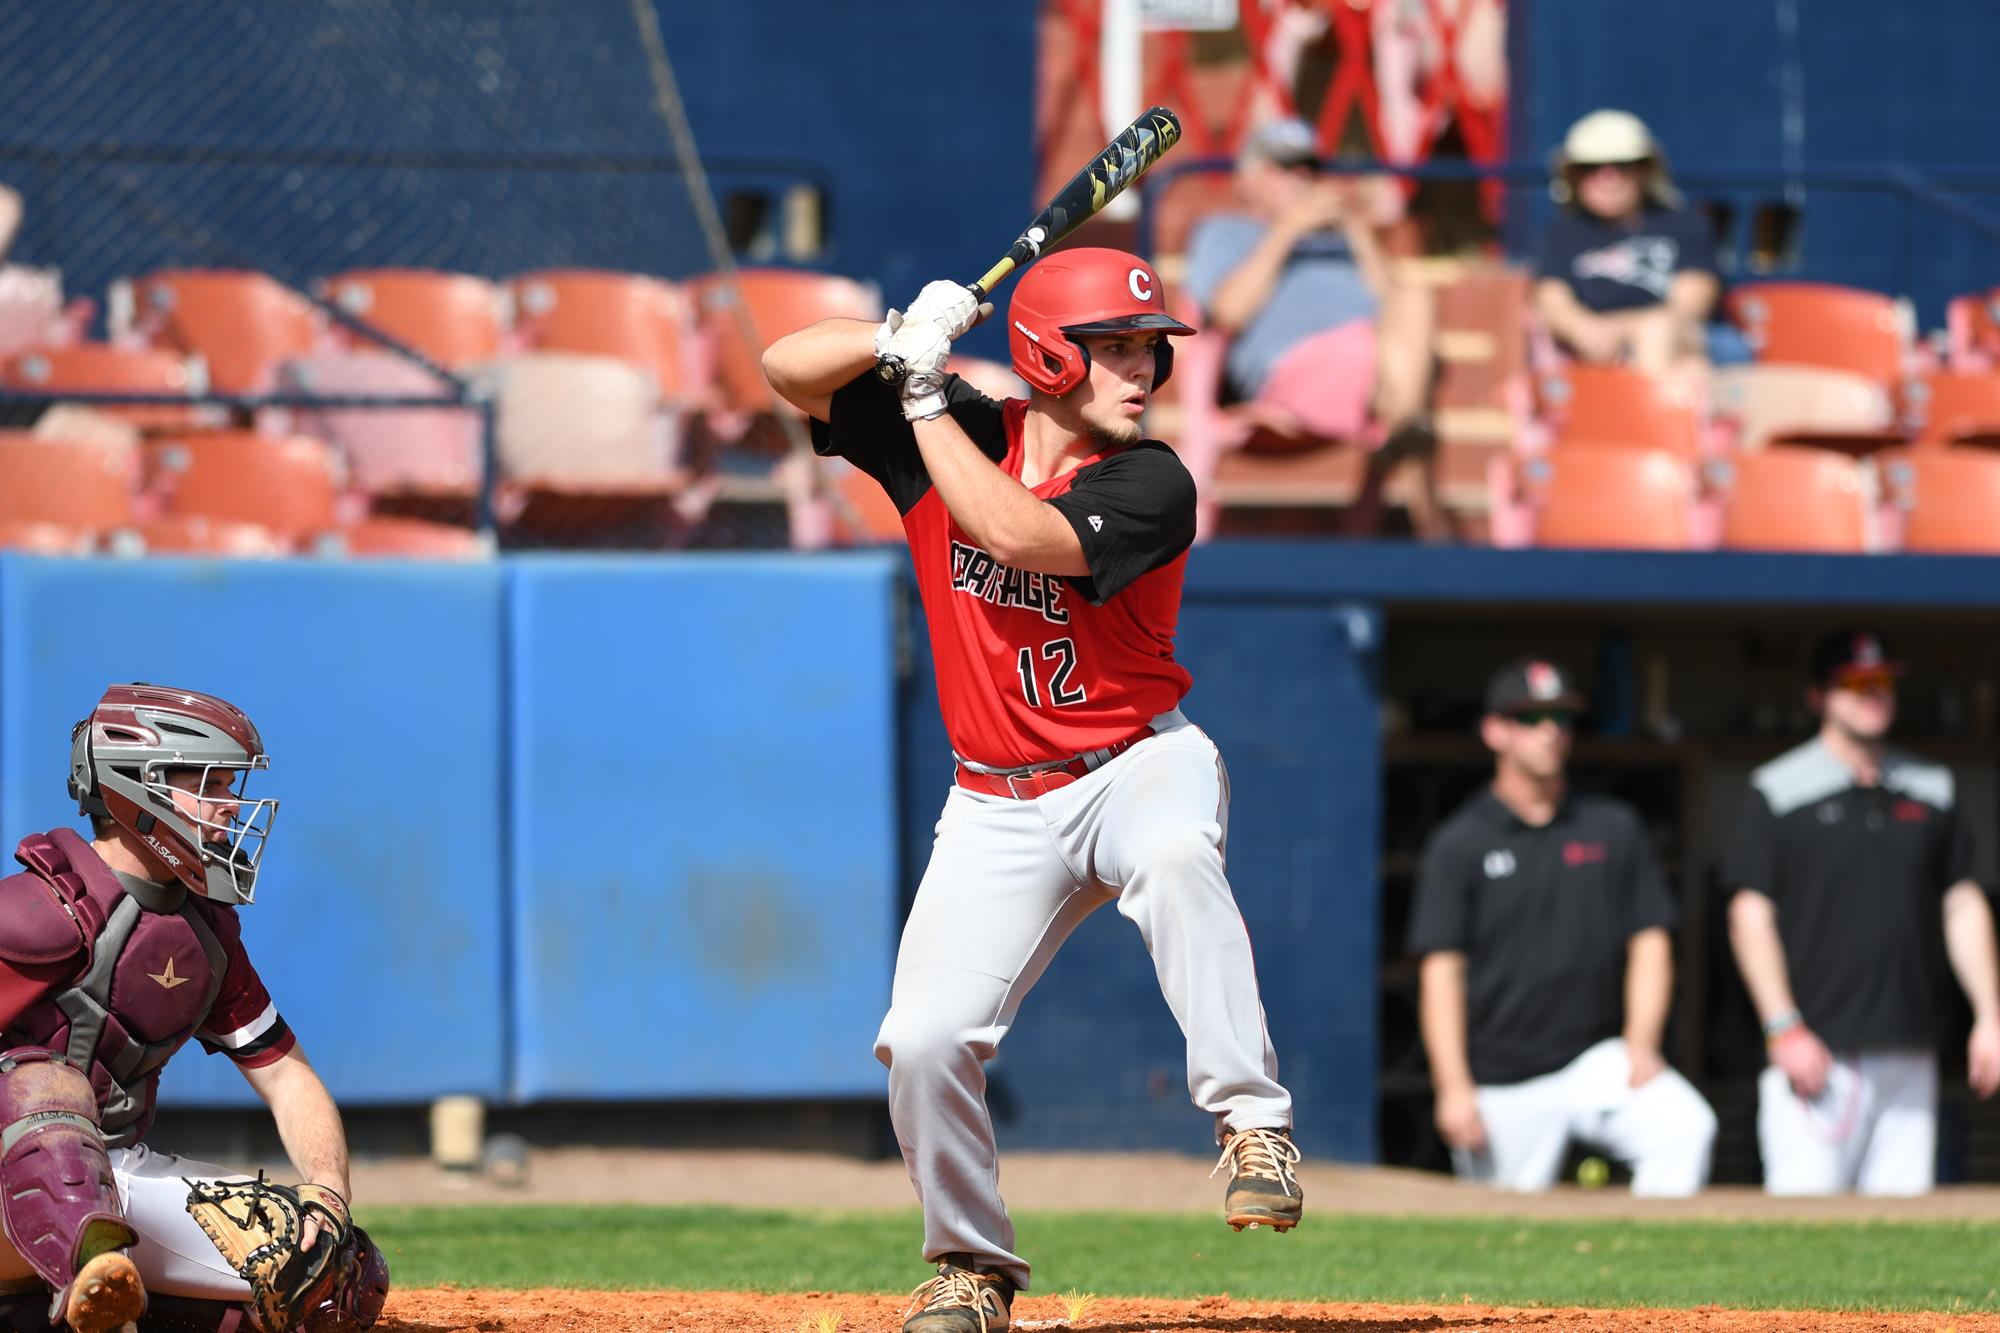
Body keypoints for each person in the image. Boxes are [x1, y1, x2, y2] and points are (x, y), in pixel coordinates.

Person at [763, 249, 1301, 1333]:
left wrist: (921, 399)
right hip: (994, 800)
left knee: (1173, 856)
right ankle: (968, 1263)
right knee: (919, 1039)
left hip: (1134, 766)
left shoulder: (1151, 478)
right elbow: (784, 365)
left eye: (1146, 347)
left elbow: (1016, 531)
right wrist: (890, 338)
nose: (1140, 369)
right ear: (1050, 353)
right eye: (1112, 348)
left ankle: (1252, 1124)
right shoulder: (950, 423)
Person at [0, 683, 389, 1333]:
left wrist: (327, 1193)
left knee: (336, 1279)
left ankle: (63, 1308)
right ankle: (86, 1267)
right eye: (212, 784)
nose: (232, 808)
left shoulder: (204, 936)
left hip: (113, 1177)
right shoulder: (36, 908)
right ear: (137, 787)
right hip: (11, 1185)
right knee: (45, 1081)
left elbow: (288, 1075)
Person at [1408, 659, 1716, 1196]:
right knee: (1501, 1241)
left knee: (1686, 1128)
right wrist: (1453, 1087)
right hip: (1501, 1076)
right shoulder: (1459, 843)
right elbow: (1442, 973)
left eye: (1560, 717)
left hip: (1594, 1059)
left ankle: (1658, 1273)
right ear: (1494, 731)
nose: (1550, 730)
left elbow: (1650, 940)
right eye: (1530, 717)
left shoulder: (1613, 827)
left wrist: (1642, 1041)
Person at [1726, 630, 2000, 1196]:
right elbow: (1749, 914)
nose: (1872, 694)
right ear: (1818, 696)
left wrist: (1990, 1016)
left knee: (1900, 1248)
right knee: (1802, 1239)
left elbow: (1962, 902)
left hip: (1910, 1044)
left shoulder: (1932, 787)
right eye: (1854, 683)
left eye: (1881, 682)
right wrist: (1784, 1028)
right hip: (1817, 1049)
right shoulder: (1776, 789)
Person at [1182, 118, 1442, 535]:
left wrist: (1357, 229)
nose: (1302, 180)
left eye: (1310, 169)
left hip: (1371, 363)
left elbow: (1389, 302)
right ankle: (1429, 520)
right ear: (1249, 178)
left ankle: (1406, 429)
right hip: (1290, 374)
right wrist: (1287, 230)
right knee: (1408, 379)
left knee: (1412, 298)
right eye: (1285, 169)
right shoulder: (1225, 233)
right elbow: (1229, 311)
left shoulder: (1339, 241)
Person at [1534, 109, 1719, 379]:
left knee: (1661, 337)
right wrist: (1585, 331)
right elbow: (1551, 301)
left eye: (1621, 166)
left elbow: (1691, 305)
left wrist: (1622, 330)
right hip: (1592, 349)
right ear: (1573, 175)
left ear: (1645, 170)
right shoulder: (1563, 232)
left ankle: (1647, 420)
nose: (1607, 178)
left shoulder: (1682, 224)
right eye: (1590, 168)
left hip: (1681, 339)